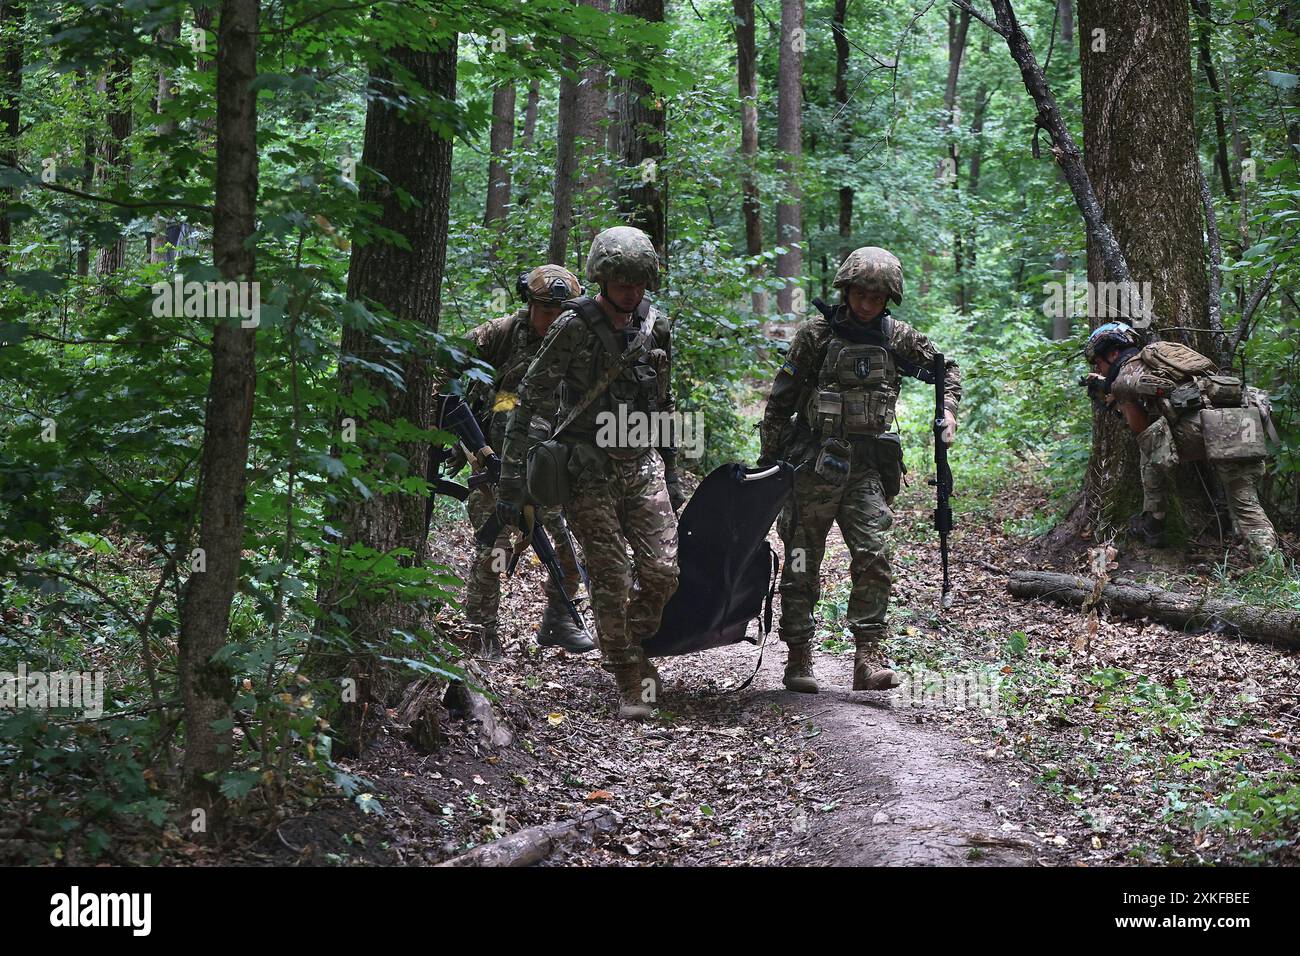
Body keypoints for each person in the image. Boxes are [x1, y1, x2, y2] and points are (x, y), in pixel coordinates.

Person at [497, 226, 682, 720]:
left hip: (642, 462)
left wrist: (675, 476)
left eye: (639, 283)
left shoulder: (656, 327)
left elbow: (664, 406)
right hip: (587, 469)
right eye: (622, 282)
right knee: (610, 578)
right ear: (602, 279)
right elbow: (530, 401)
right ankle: (628, 674)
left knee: (663, 573)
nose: (631, 292)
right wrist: (512, 481)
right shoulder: (572, 327)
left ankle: (626, 636)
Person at [758, 246, 961, 693]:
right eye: (860, 294)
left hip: (867, 466)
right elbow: (781, 401)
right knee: (800, 560)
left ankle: (868, 655)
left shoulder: (898, 337)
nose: (867, 304)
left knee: (874, 555)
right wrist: (768, 465)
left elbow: (947, 370)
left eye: (876, 297)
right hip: (812, 464)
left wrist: (948, 411)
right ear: (846, 290)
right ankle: (798, 655)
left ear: (888, 299)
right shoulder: (815, 335)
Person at [450, 265, 596, 657]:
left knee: (564, 546)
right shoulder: (499, 334)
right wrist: (458, 430)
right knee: (492, 550)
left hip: (549, 466)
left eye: (561, 312)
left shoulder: (581, 342)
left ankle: (558, 621)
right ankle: (482, 633)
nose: (553, 320)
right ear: (529, 305)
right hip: (492, 462)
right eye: (546, 311)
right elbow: (443, 365)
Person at [1083, 322, 1279, 561]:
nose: (1098, 368)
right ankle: (1270, 564)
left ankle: (1154, 519)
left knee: (1149, 442)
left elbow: (1141, 429)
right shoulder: (1162, 358)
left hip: (1206, 430)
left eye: (1098, 362)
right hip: (1240, 420)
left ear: (1112, 353)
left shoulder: (1124, 378)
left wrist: (1116, 397)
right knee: (1246, 503)